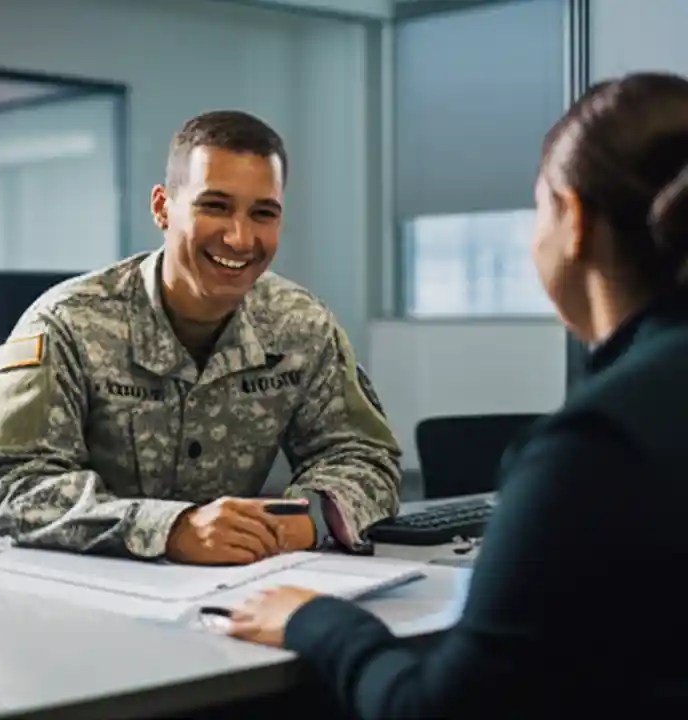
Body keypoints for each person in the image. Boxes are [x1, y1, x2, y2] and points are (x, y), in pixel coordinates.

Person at [224, 71, 688, 716]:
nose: (240, 237)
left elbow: (440, 710)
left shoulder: (598, 446)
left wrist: (319, 621)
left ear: (572, 220)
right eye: (216, 206)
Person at [0, 110, 402, 566]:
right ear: (162, 207)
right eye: (214, 206)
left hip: (218, 589)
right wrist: (170, 530)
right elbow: (15, 485)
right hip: (57, 591)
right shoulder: (67, 323)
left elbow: (365, 457)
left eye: (263, 213)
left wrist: (309, 518)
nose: (240, 238)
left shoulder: (300, 325)